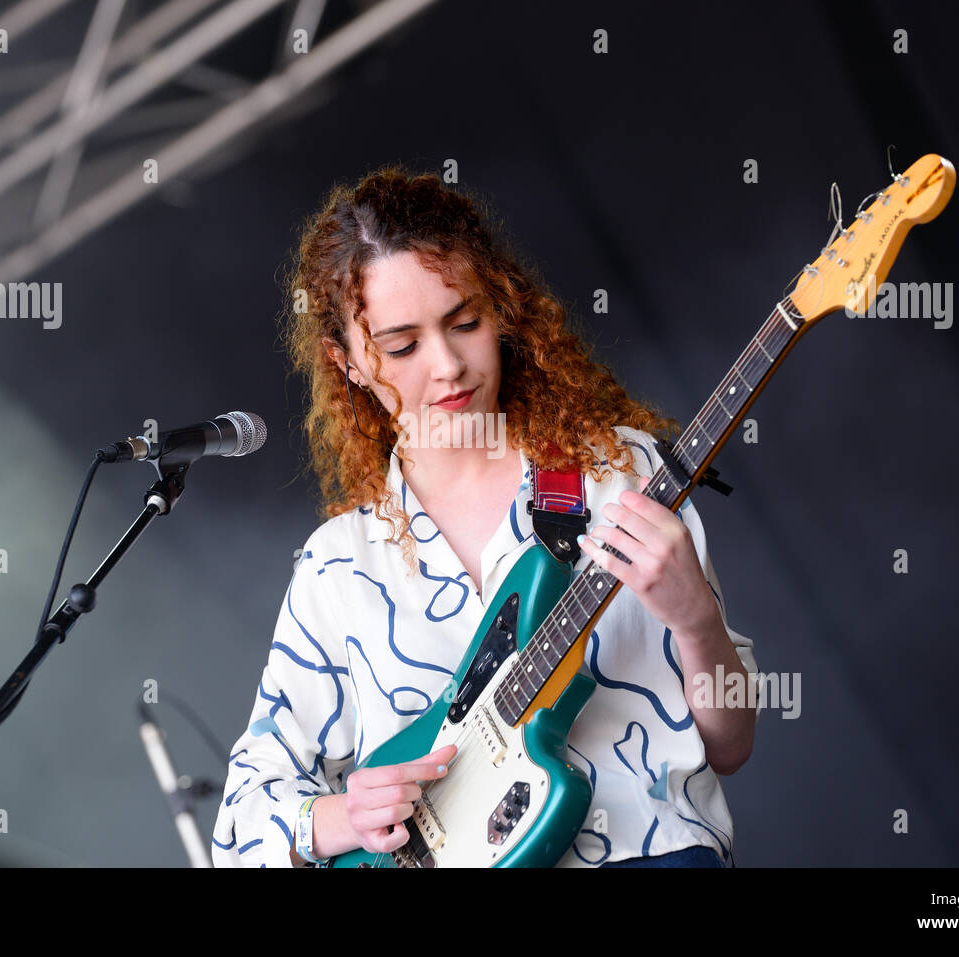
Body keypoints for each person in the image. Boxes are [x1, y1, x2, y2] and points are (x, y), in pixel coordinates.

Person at [211, 167, 759, 868]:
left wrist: (697, 621)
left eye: (466, 321)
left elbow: (733, 743)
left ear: (501, 307)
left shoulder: (620, 473)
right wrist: (344, 814)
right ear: (345, 360)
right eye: (402, 345)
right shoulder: (338, 565)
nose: (448, 365)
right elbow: (241, 817)